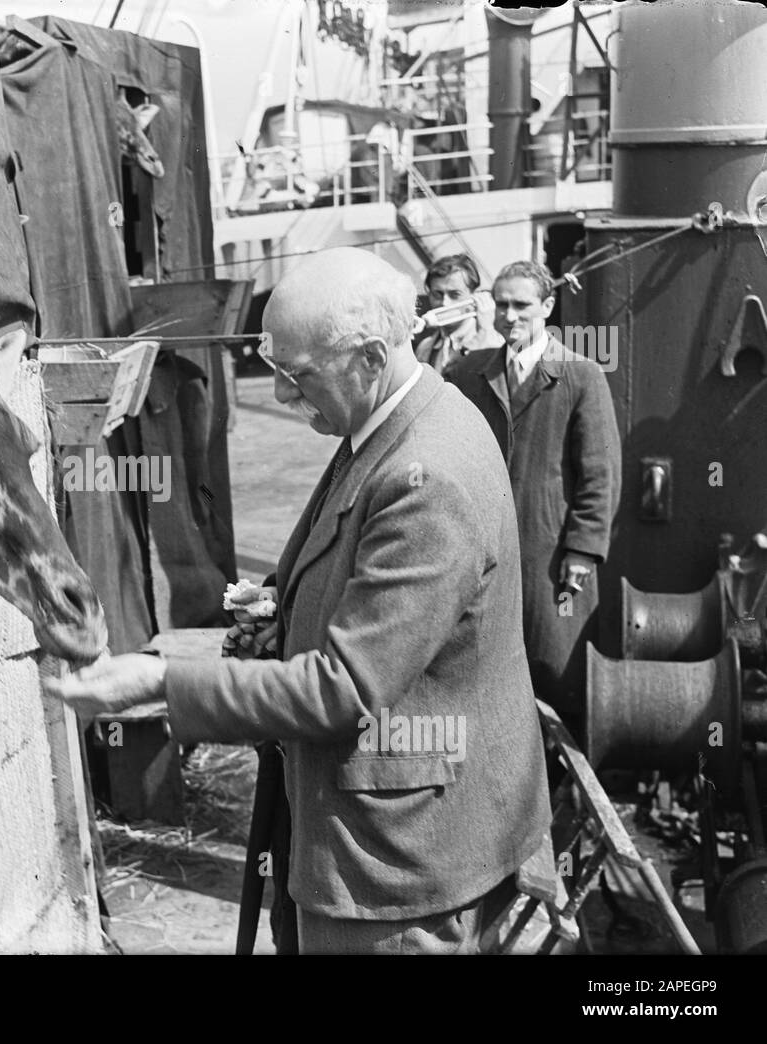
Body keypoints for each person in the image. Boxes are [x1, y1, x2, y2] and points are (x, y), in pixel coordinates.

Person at [47, 247, 552, 955]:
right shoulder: (391, 424)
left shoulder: (426, 477)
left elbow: (344, 690)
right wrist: (282, 613)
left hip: (396, 864)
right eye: (277, 371)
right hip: (372, 826)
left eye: (297, 376)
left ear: (372, 357)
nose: (282, 396)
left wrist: (163, 683)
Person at [446, 260, 621, 734]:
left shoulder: (580, 374)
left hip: (551, 555)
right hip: (484, 551)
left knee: (556, 664)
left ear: (547, 305)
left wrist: (582, 551)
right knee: (484, 661)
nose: (510, 315)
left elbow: (599, 474)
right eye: (500, 304)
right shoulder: (468, 374)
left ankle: (564, 779)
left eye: (521, 305)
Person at [414, 254, 503, 374]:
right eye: (437, 294)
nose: (445, 303)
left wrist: (486, 332)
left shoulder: (496, 341)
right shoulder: (425, 348)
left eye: (455, 294)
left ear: (475, 296)